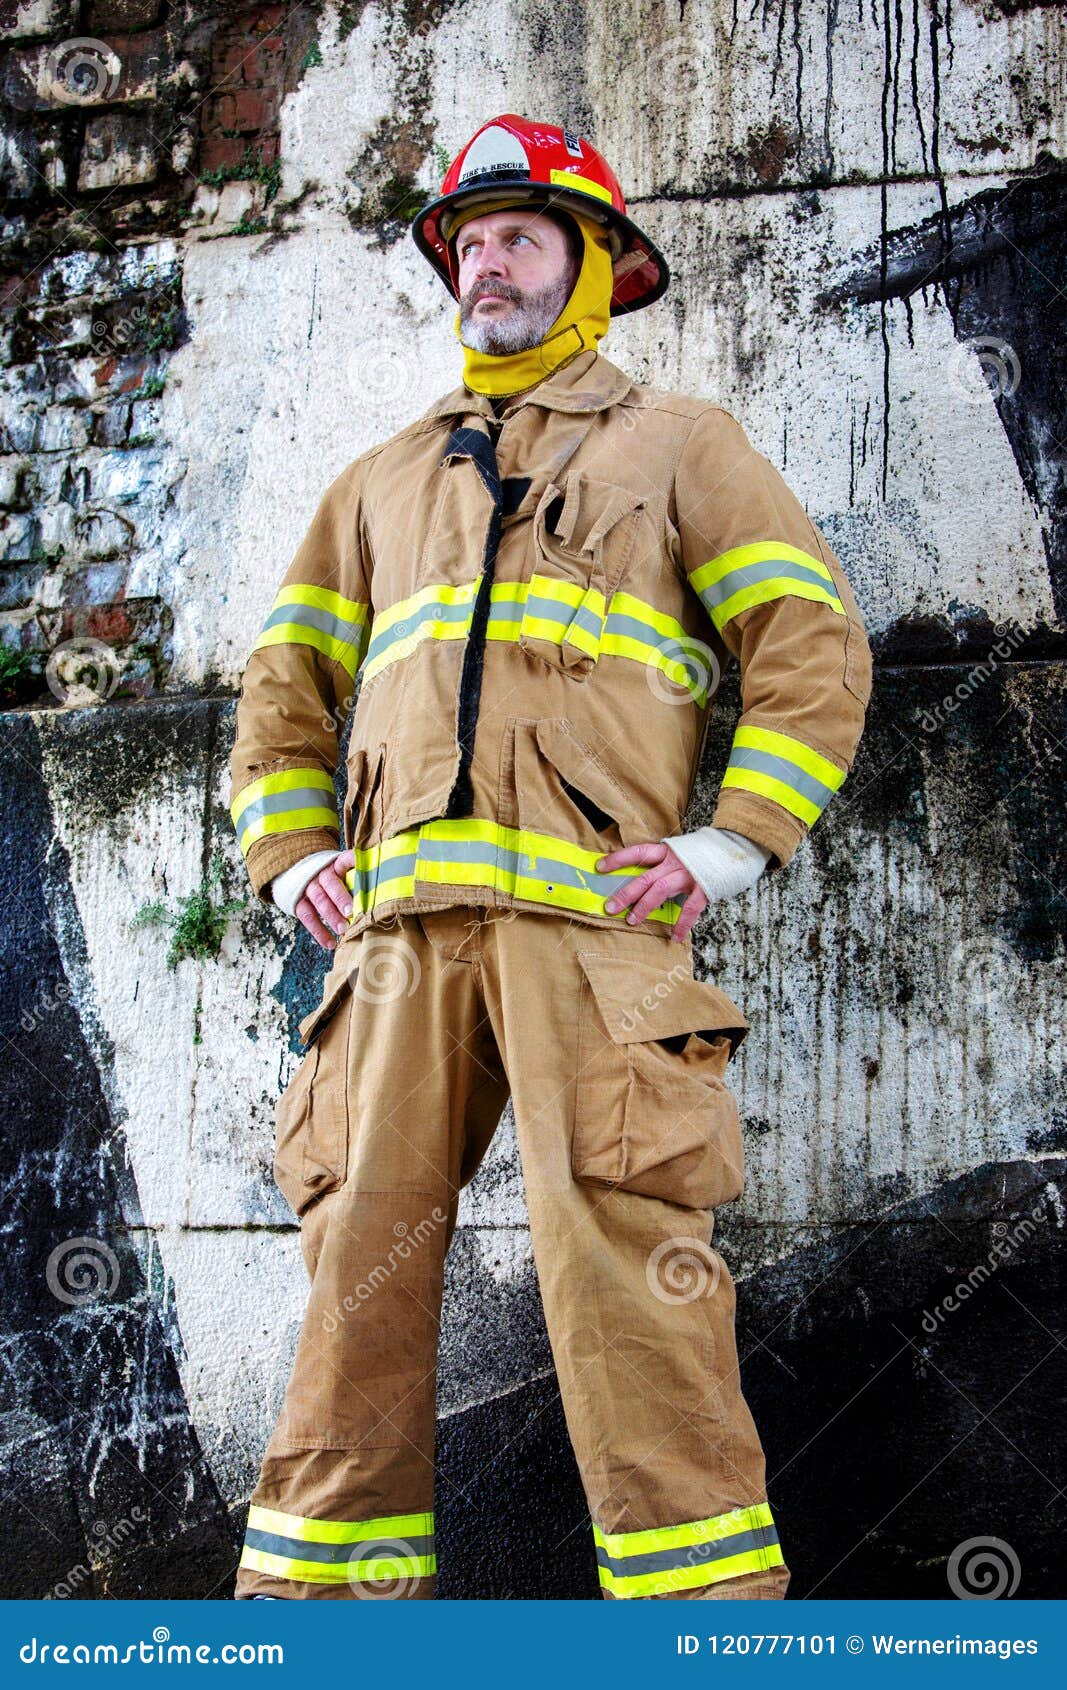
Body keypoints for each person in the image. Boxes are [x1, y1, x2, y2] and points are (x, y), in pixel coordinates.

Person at [228, 114, 873, 1602]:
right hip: (392, 947)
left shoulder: (679, 445)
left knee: (633, 1276)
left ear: (595, 267)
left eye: (520, 236)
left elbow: (808, 643)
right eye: (468, 243)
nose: (485, 266)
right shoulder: (381, 483)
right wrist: (290, 857)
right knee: (353, 1286)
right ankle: (321, 1616)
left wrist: (731, 844)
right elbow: (283, 691)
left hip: (594, 935)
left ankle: (702, 1615)